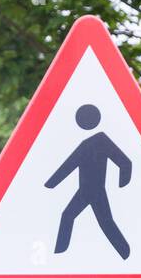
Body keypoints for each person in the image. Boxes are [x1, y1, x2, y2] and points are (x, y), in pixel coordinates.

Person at [45, 105, 132, 259]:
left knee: (104, 222)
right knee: (69, 216)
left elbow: (124, 162)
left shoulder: (100, 141)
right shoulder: (87, 144)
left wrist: (123, 182)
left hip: (96, 191)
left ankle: (125, 253)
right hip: (84, 191)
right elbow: (68, 166)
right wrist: (50, 184)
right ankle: (59, 254)